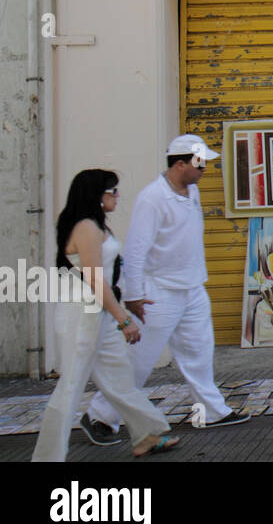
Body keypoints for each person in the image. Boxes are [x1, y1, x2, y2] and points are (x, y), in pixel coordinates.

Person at [83, 135, 246, 443]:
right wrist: (133, 295)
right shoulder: (152, 198)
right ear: (180, 163)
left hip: (193, 287)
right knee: (140, 359)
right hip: (158, 292)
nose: (204, 168)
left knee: (198, 352)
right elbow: (136, 249)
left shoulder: (192, 191)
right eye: (199, 162)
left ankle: (211, 411)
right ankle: (100, 415)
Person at [33, 170, 180, 460]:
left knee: (118, 376)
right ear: (96, 195)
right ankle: (47, 457)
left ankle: (146, 435)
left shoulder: (97, 225)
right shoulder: (86, 227)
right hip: (83, 315)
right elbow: (95, 279)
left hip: (98, 312)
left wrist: (122, 307)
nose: (117, 195)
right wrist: (124, 319)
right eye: (112, 191)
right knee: (71, 386)